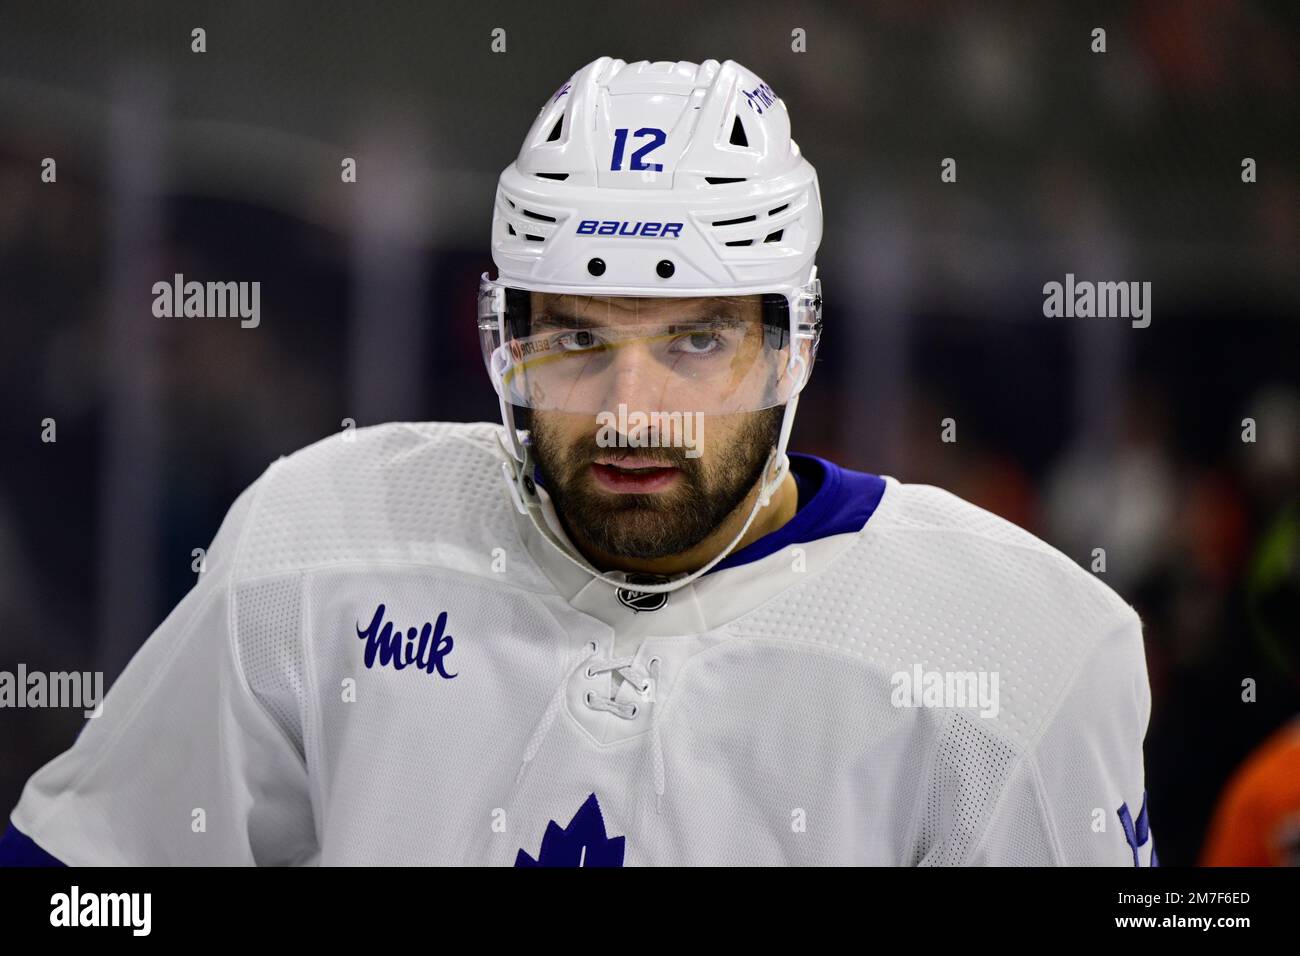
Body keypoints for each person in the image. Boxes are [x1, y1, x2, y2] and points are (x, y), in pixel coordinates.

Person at [1, 57, 1155, 866]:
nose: (629, 409)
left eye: (694, 339)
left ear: (791, 343)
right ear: (507, 338)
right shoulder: (325, 535)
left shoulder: (1019, 651)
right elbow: (89, 878)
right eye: (575, 339)